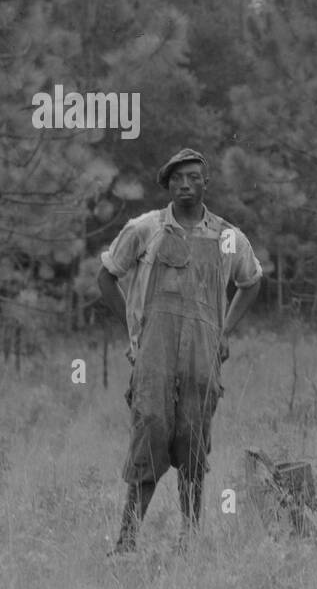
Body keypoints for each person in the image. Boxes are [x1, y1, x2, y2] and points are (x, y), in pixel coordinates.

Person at [98, 149, 263, 553]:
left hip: (202, 357)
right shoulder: (145, 228)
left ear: (206, 182)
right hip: (154, 354)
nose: (185, 185)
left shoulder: (227, 236)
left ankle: (190, 537)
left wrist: (224, 331)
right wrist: (135, 330)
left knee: (193, 440)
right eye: (176, 179)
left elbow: (252, 281)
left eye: (193, 177)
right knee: (150, 430)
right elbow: (106, 278)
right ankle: (127, 539)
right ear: (167, 185)